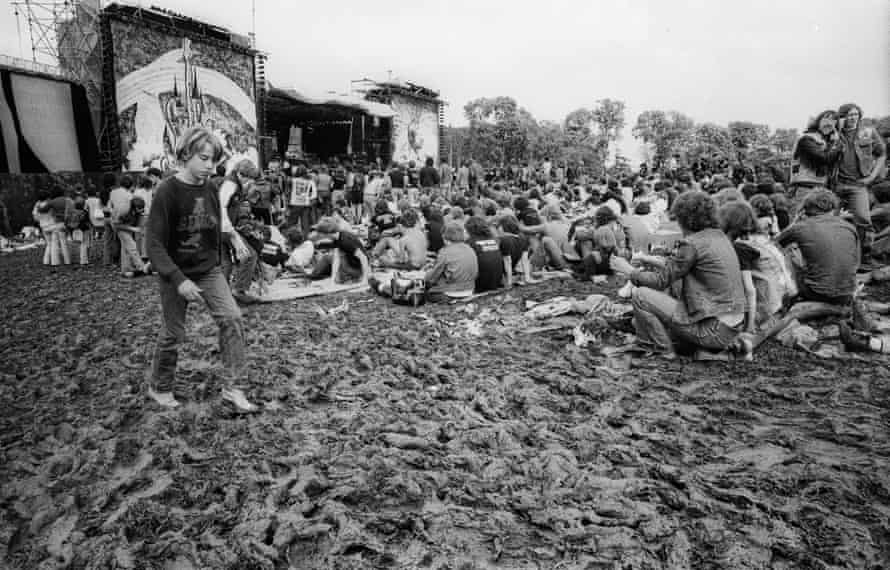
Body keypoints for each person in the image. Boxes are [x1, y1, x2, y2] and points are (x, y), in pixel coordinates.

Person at [145, 125, 257, 412]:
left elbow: (212, 225)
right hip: (174, 272)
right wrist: (178, 279)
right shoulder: (167, 191)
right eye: (204, 158)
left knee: (232, 318)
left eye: (214, 160)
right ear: (185, 154)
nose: (210, 166)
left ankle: (234, 389)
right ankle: (160, 386)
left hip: (208, 270)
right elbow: (154, 244)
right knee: (174, 333)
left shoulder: (209, 188)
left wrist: (231, 240)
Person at [610, 191, 750, 359]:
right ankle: (710, 350)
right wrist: (650, 260)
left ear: (684, 219)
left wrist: (628, 270)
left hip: (712, 330)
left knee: (640, 295)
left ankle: (661, 349)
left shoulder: (692, 243)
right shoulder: (718, 237)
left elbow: (661, 281)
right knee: (644, 318)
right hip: (731, 327)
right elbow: (683, 267)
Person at [776, 189, 858, 305]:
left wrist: (795, 221)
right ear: (833, 207)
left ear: (806, 208)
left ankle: (790, 296)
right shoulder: (849, 227)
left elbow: (772, 247)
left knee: (788, 250)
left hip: (816, 293)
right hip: (847, 293)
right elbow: (856, 262)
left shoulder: (800, 227)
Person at [836, 103, 887, 266]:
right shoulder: (834, 134)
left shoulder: (868, 132)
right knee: (830, 220)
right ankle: (837, 258)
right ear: (842, 117)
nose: (852, 118)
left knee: (864, 220)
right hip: (835, 184)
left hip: (858, 184)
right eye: (848, 115)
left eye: (855, 114)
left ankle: (865, 258)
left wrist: (872, 176)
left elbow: (881, 154)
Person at [219, 159, 261, 304]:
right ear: (240, 173)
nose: (248, 181)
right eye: (247, 177)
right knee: (249, 255)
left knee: (225, 263)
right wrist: (231, 231)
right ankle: (239, 290)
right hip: (225, 228)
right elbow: (221, 206)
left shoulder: (233, 183)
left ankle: (221, 294)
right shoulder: (231, 184)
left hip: (220, 227)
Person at [789, 110, 842, 215]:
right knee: (800, 220)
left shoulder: (828, 141)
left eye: (834, 120)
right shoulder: (807, 139)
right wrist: (836, 144)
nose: (829, 123)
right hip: (805, 187)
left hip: (822, 187)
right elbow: (823, 158)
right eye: (826, 118)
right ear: (818, 121)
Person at [423, 222, 478, 301]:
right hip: (470, 290)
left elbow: (432, 278)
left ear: (444, 237)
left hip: (451, 293)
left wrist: (425, 274)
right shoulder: (470, 248)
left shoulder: (445, 251)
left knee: (426, 292)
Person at [311, 216, 370, 285]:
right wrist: (332, 280)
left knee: (330, 256)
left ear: (327, 233)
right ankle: (341, 277)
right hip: (351, 266)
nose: (320, 236)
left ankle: (350, 277)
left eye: (321, 233)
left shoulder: (346, 240)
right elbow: (336, 259)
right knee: (332, 256)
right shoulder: (337, 238)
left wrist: (365, 279)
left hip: (358, 270)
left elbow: (364, 258)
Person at [465, 216, 504, 292]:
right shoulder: (494, 239)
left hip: (480, 283)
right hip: (496, 281)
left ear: (469, 229)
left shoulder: (469, 242)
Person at [494, 215, 533, 288]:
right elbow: (525, 260)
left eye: (498, 227)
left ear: (502, 227)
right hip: (511, 269)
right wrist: (527, 277)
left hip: (501, 273)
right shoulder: (523, 238)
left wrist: (509, 282)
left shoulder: (504, 239)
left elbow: (507, 261)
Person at [289, 165, 317, 233]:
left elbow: (288, 192)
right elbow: (314, 195)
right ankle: (305, 237)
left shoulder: (292, 180)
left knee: (292, 222)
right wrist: (311, 202)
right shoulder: (310, 181)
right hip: (305, 204)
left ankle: (292, 237)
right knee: (305, 222)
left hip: (294, 203)